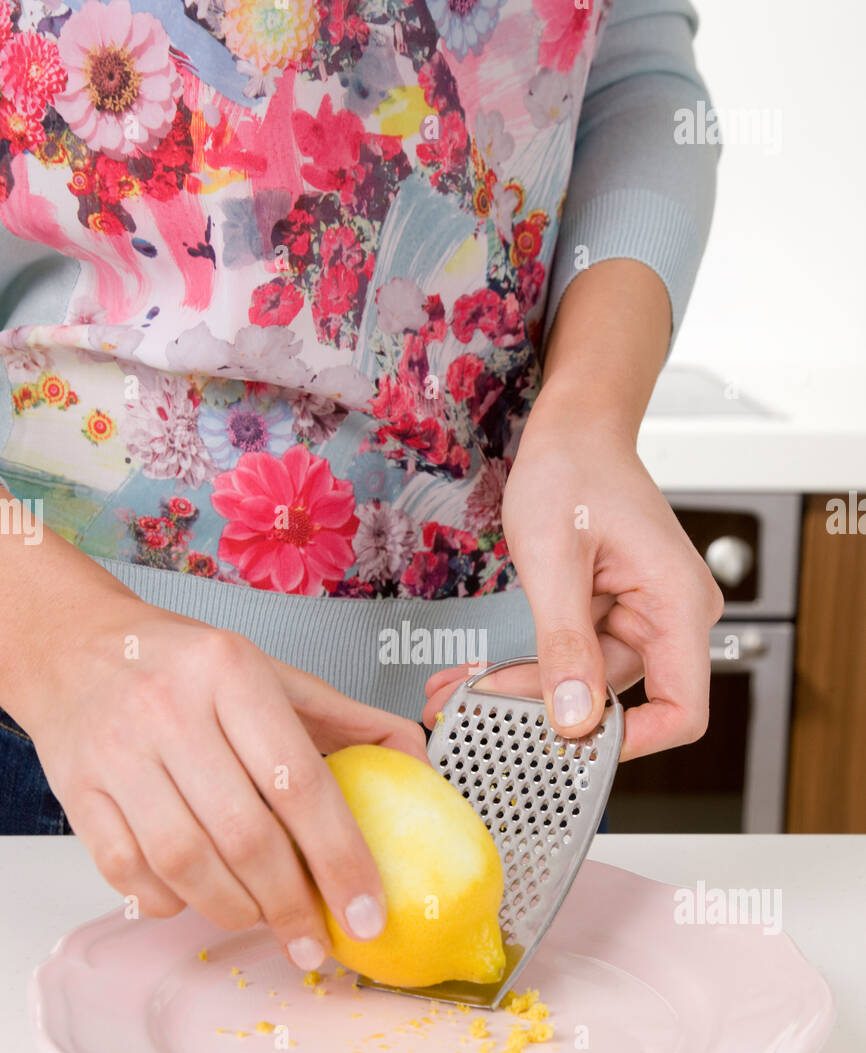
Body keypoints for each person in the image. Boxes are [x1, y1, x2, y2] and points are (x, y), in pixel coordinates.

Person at [0, 0, 723, 971]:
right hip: (71, 732)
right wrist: (58, 640)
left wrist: (589, 410)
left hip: (501, 732)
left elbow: (632, 70)